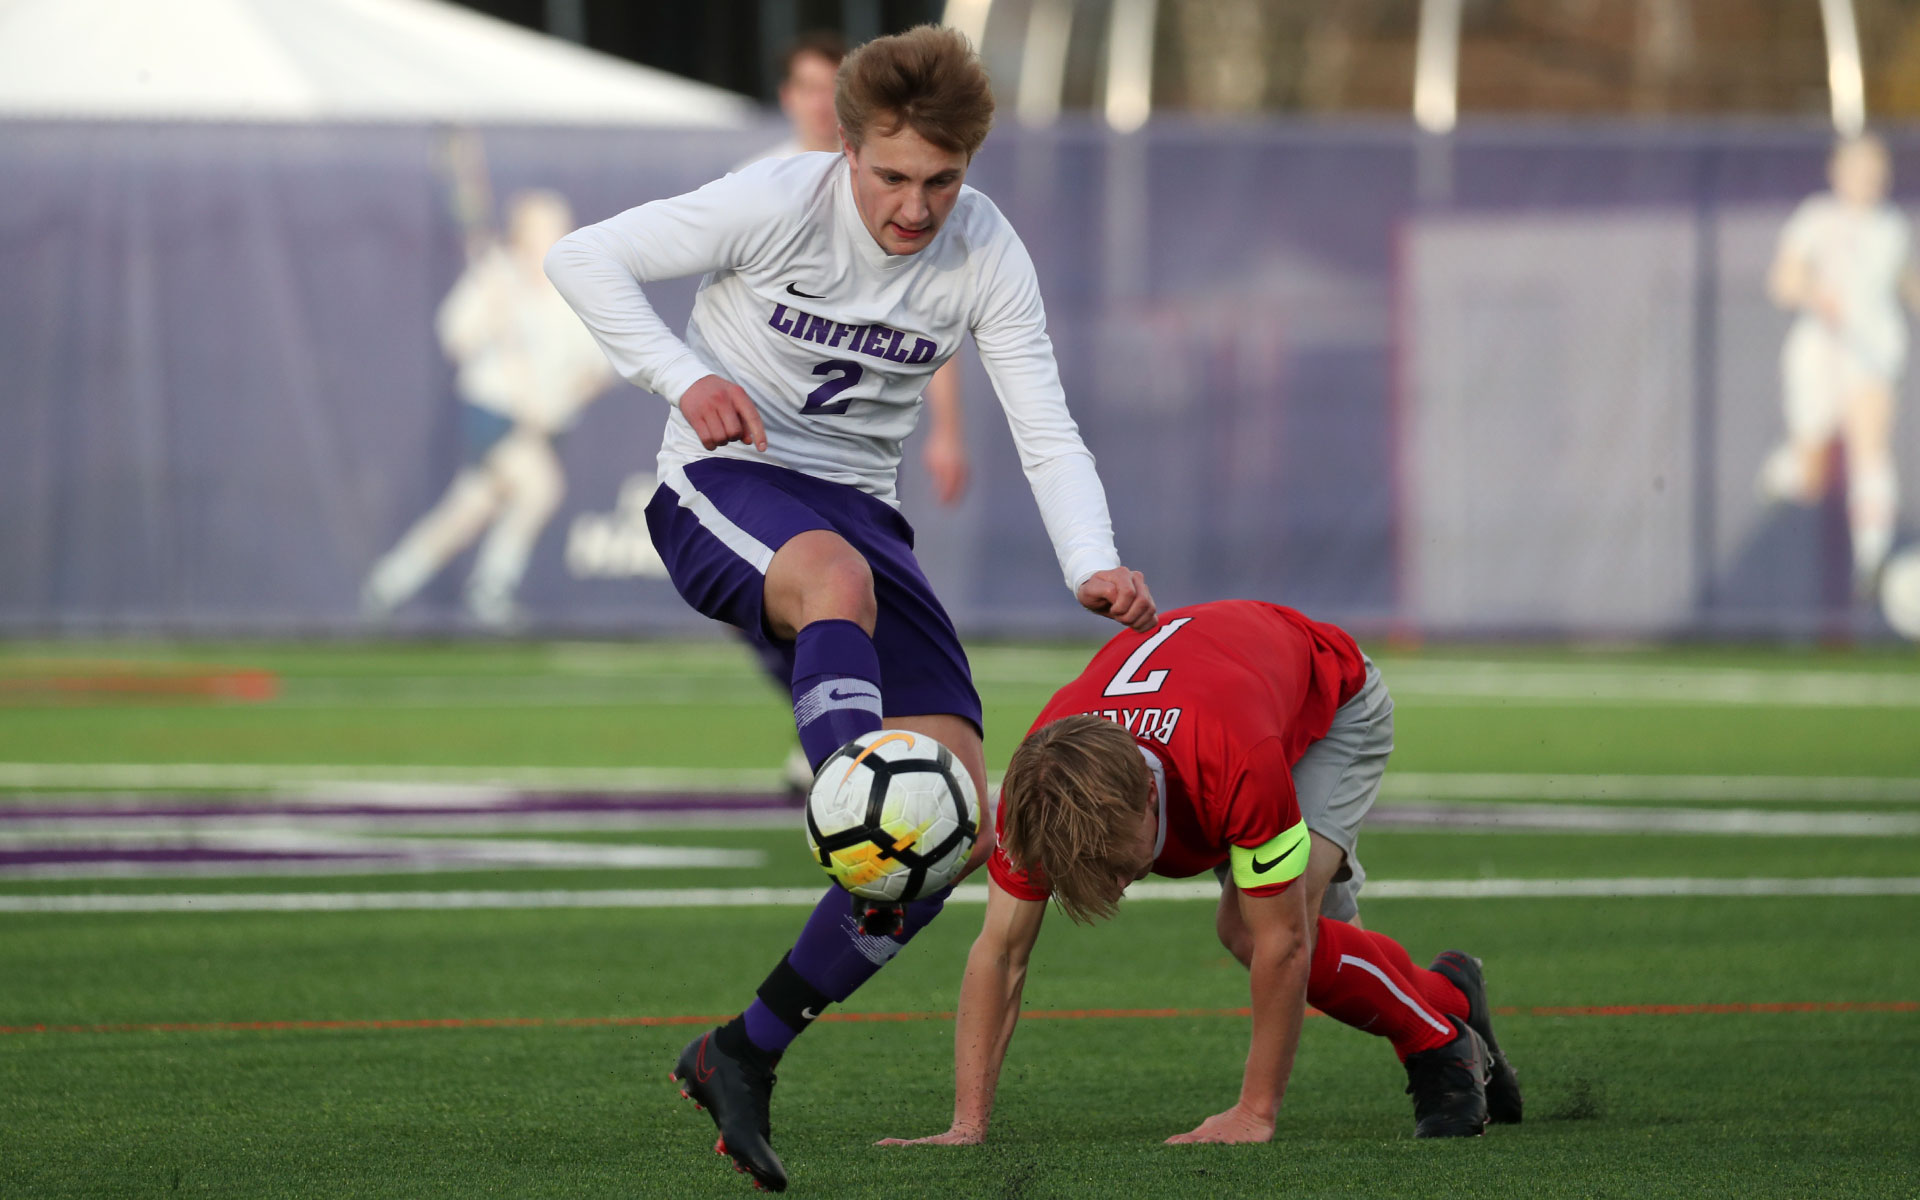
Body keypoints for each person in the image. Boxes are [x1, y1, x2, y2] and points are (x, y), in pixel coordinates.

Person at [544, 26, 1155, 1192]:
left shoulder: (988, 252)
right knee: (836, 591)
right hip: (721, 484)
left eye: (942, 180)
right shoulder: (778, 199)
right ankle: (844, 792)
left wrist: (1093, 560)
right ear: (845, 144)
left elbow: (1046, 425)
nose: (916, 207)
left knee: (961, 821)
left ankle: (742, 1050)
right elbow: (582, 258)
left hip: (862, 523)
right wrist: (686, 377)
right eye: (892, 177)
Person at [878, 600, 1522, 1148]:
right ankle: (1453, 996)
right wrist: (967, 1124)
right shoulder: (1042, 791)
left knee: (1259, 929)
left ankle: (1438, 1041)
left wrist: (1253, 1112)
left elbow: (1283, 945)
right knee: (1318, 943)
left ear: (1152, 800)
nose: (1104, 881)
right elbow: (1000, 953)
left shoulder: (1236, 764)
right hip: (1223, 695)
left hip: (1328, 707)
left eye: (1108, 859)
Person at [742, 32, 973, 799]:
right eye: (805, 86)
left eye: (828, 87)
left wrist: (946, 428)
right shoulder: (762, 183)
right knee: (761, 594)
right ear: (787, 98)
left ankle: (851, 749)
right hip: (762, 433)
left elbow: (926, 325)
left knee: (852, 584)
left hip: (852, 439)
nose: (816, 101)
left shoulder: (902, 194)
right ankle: (835, 727)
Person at [362, 188, 614, 627]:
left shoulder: (571, 286)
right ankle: (491, 592)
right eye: (546, 227)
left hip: (542, 424)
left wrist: (559, 401)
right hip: (492, 413)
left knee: (468, 511)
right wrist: (490, 320)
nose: (557, 235)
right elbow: (456, 336)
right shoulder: (495, 276)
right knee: (540, 489)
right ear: (523, 233)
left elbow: (598, 366)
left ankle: (388, 584)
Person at [1759, 133, 1920, 594]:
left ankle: (1872, 558)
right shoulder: (1815, 219)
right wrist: (1813, 293)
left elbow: (1906, 282)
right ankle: (1784, 470)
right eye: (1861, 169)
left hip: (1871, 353)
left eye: (1877, 170)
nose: (1870, 179)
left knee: (1871, 447)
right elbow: (1783, 281)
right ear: (1838, 172)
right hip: (1819, 353)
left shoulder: (1893, 227)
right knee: (1809, 477)